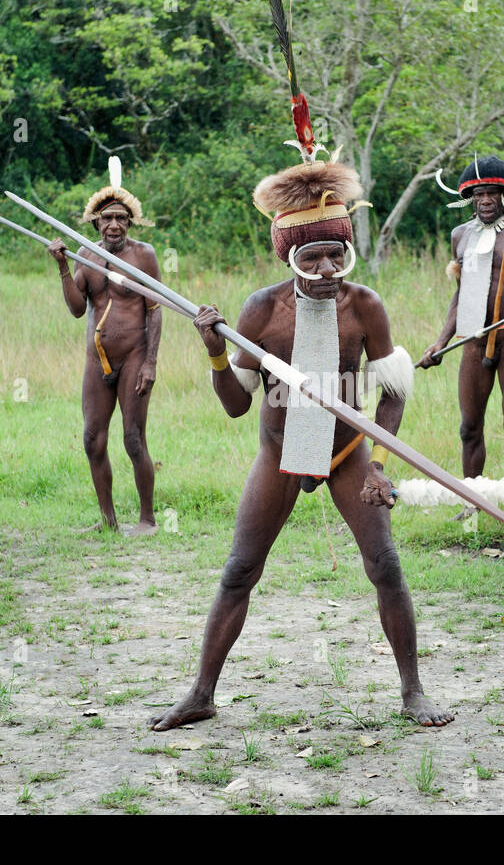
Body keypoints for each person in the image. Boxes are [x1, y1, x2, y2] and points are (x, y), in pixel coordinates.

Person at [148, 156, 452, 730]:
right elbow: (237, 405)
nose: (327, 268)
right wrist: (216, 352)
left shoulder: (365, 305)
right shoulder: (261, 310)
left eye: (336, 254)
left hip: (347, 454)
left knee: (386, 565)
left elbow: (393, 392)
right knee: (239, 569)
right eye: (311, 257)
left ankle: (413, 692)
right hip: (280, 453)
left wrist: (378, 466)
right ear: (288, 257)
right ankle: (201, 694)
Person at [418, 156, 504, 520]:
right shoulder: (460, 236)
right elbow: (460, 294)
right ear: (470, 198)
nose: (485, 200)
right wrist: (440, 342)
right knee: (469, 427)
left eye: (492, 193)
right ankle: (472, 501)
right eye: (479, 194)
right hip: (473, 335)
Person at [47, 157, 162, 535]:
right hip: (97, 361)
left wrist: (150, 363)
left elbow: (155, 311)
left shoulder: (144, 255)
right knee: (92, 439)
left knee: (133, 439)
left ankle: (147, 519)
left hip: (134, 357)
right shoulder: (87, 254)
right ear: (96, 223)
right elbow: (78, 309)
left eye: (121, 219)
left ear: (130, 222)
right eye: (108, 218)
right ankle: (108, 521)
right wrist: (63, 267)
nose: (114, 225)